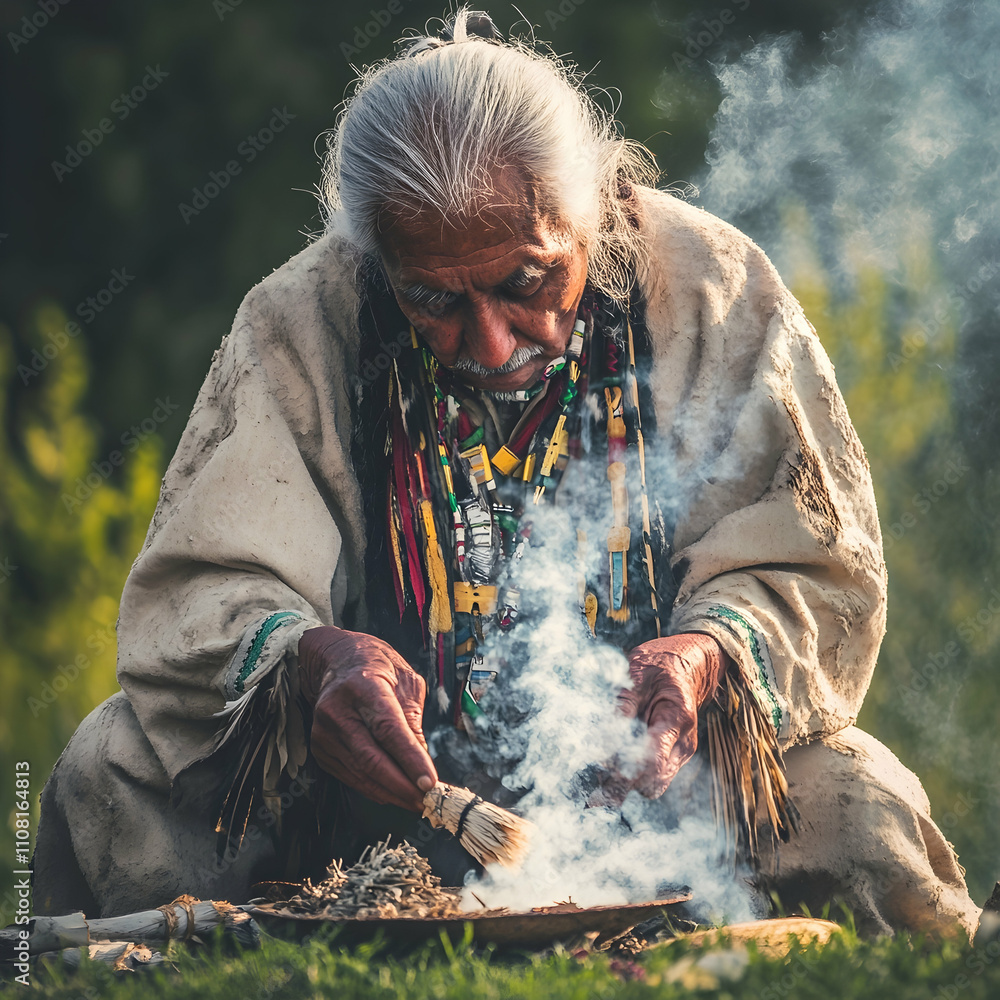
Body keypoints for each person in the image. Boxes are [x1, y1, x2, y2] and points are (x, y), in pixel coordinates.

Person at [33, 9, 981, 938]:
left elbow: (816, 559)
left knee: (856, 800)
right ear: (378, 255)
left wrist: (704, 657)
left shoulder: (707, 289)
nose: (488, 340)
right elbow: (208, 580)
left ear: (588, 216)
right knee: (107, 769)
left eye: (527, 281)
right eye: (433, 298)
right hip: (366, 819)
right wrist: (307, 662)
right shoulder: (302, 320)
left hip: (668, 795)